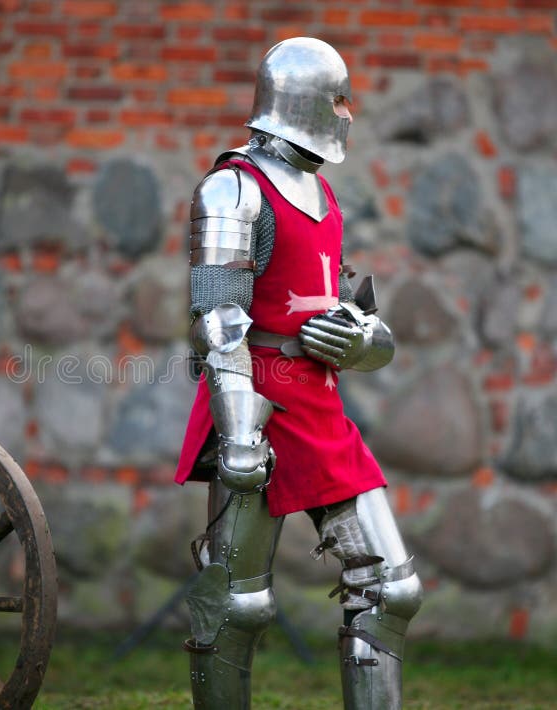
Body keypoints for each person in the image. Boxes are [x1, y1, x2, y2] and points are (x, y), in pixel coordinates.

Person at [175, 37, 423, 710]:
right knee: (235, 604)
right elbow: (218, 320)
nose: (348, 111)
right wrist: (237, 436)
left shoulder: (319, 190)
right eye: (340, 98)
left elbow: (345, 306)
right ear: (307, 103)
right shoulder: (232, 187)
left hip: (317, 401)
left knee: (391, 588)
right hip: (254, 400)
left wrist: (361, 336)